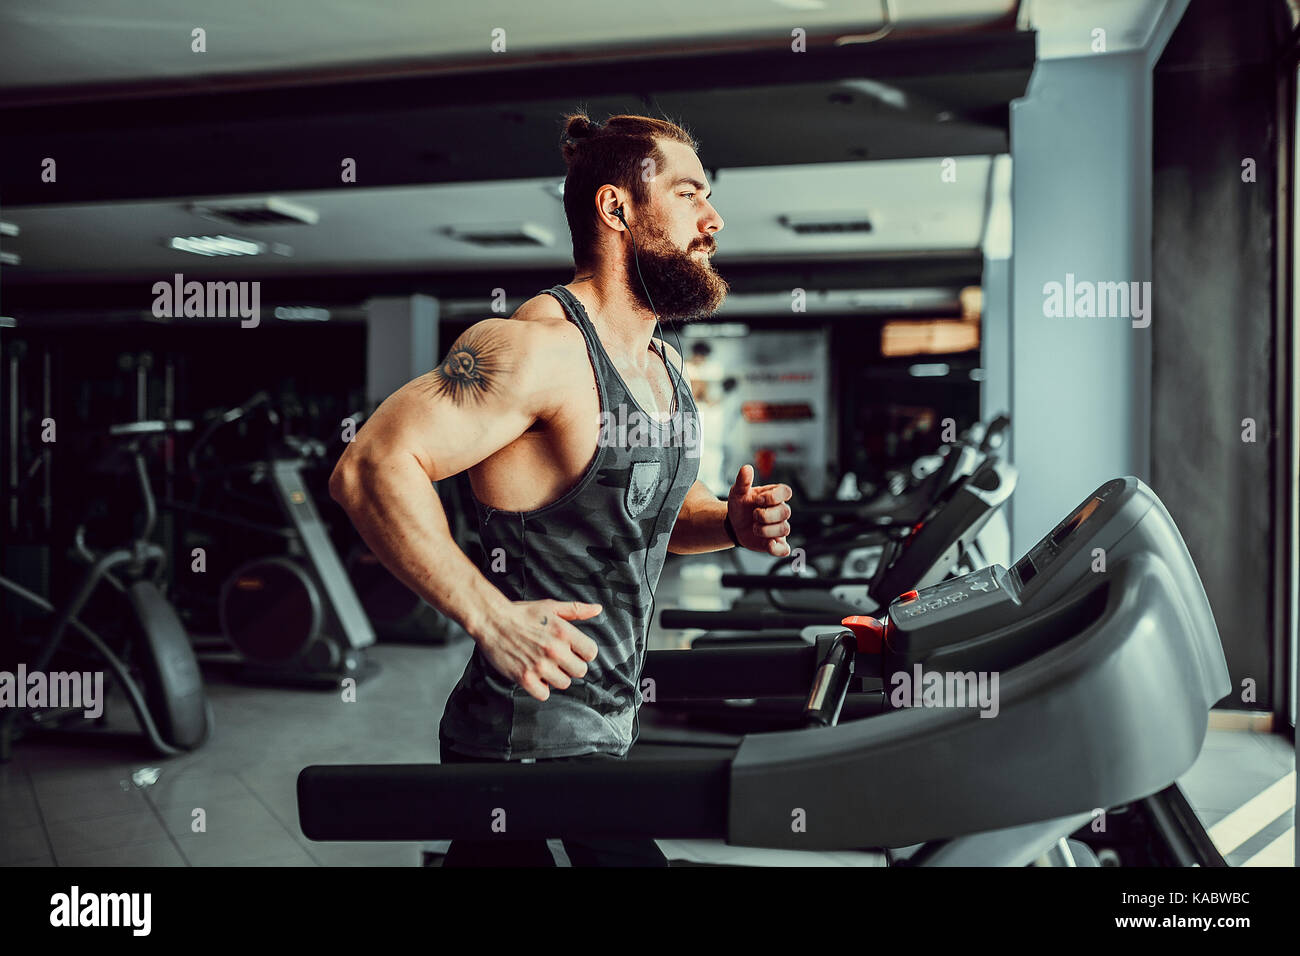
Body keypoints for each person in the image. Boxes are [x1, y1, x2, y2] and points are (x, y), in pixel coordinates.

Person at [329, 111, 794, 867]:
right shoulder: (532, 349)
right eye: (689, 194)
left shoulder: (664, 368)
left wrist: (729, 523)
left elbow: (660, 516)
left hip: (604, 730)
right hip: (521, 747)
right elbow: (371, 466)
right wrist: (492, 615)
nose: (713, 220)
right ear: (617, 209)